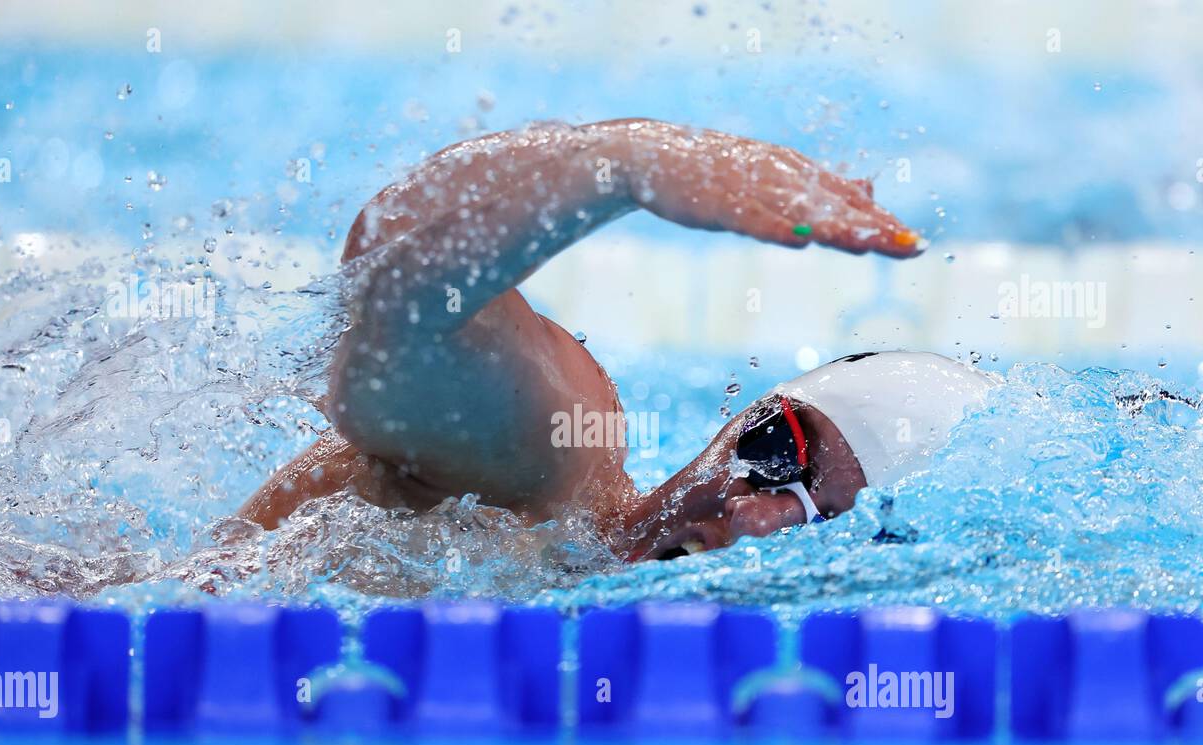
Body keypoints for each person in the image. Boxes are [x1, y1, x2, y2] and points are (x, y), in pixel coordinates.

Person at [238, 119, 997, 562]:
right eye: (776, 453)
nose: (754, 516)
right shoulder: (551, 468)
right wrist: (620, 166)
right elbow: (393, 289)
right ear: (747, 413)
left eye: (827, 525)